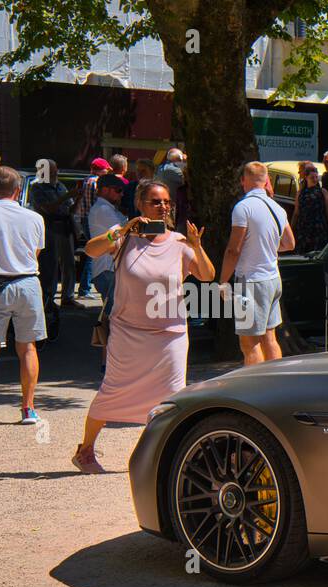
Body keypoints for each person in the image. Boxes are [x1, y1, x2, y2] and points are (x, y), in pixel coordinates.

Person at [72, 178, 215, 473]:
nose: (163, 207)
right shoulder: (123, 236)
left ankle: (165, 456)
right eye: (155, 201)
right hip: (129, 333)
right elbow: (90, 250)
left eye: (166, 202)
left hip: (170, 335)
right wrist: (124, 230)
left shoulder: (179, 242)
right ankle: (85, 450)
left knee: (173, 395)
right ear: (140, 204)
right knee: (112, 391)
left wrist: (197, 247)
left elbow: (206, 276)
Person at [219, 161, 295, 365]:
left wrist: (223, 281)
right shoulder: (277, 207)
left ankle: (255, 390)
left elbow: (233, 250)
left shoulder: (243, 207)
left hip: (250, 282)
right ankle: (276, 385)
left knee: (249, 343)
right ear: (266, 180)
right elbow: (289, 243)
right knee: (269, 337)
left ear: (243, 181)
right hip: (272, 279)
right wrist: (265, 246)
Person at [0, 166, 47, 424]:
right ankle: (28, 408)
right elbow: (35, 254)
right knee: (27, 347)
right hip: (27, 283)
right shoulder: (35, 218)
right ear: (18, 190)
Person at [28, 159, 78, 310]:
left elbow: (70, 209)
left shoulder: (60, 186)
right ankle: (48, 299)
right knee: (50, 263)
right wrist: (66, 195)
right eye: (52, 170)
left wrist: (78, 198)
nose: (56, 172)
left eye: (56, 169)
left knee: (69, 263)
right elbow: (48, 209)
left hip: (65, 226)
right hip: (50, 227)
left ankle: (68, 298)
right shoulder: (37, 188)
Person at [85, 173, 128, 318]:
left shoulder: (108, 208)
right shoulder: (103, 209)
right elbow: (122, 233)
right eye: (118, 190)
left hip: (107, 269)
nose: (121, 194)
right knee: (116, 319)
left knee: (115, 319)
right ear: (104, 190)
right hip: (107, 270)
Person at [75, 157, 111, 298]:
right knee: (95, 253)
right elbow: (98, 202)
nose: (107, 171)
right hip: (93, 220)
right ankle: (85, 289)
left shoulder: (85, 180)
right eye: (106, 169)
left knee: (92, 252)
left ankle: (85, 288)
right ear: (99, 170)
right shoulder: (95, 182)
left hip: (85, 219)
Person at [290, 162, 328, 254]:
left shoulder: (323, 192)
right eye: (312, 177)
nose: (315, 179)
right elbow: (296, 213)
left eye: (316, 177)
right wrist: (291, 228)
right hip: (304, 229)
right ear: (306, 178)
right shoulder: (300, 193)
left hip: (319, 229)